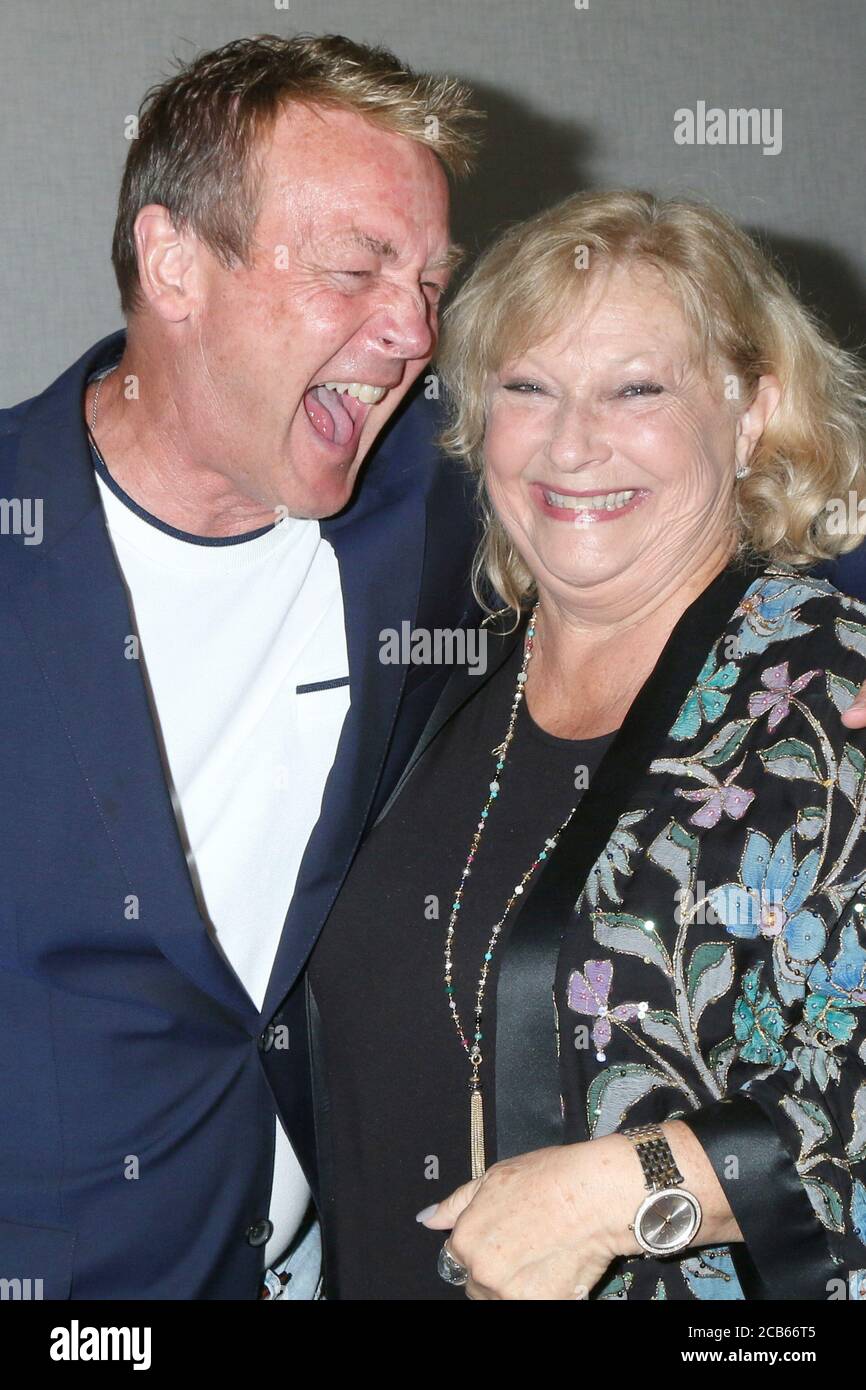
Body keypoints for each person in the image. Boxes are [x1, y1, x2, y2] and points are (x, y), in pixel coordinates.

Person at [307, 190, 866, 1300]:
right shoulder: (443, 684)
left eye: (634, 389)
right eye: (526, 387)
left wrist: (619, 1188)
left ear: (749, 408)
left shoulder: (825, 696)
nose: (569, 443)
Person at [0, 33, 483, 1299]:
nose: (412, 331)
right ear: (174, 265)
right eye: (353, 269)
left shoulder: (432, 504)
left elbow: (716, 484)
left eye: (431, 279)